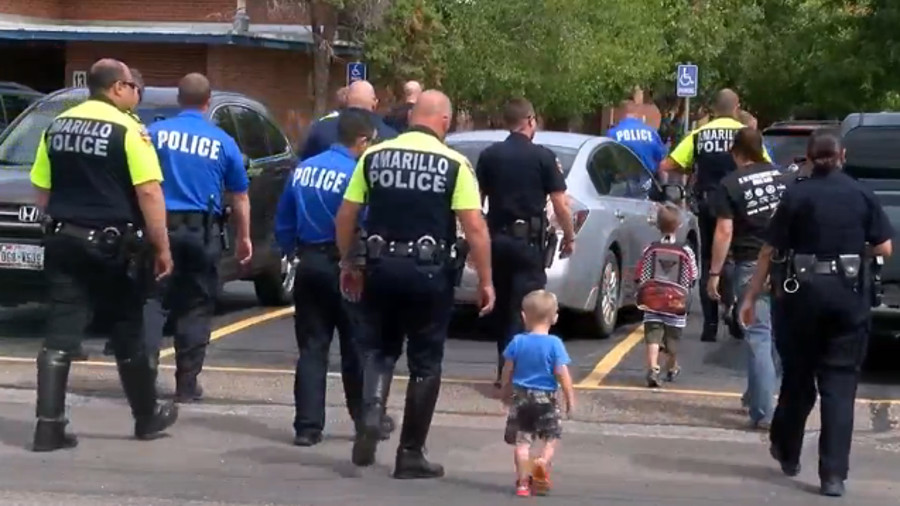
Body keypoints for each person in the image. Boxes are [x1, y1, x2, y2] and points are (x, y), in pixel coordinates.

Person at [334, 89, 495, 478]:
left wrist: (349, 261)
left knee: (379, 350)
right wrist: (486, 281)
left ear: (409, 117)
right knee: (425, 363)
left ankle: (371, 414)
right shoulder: (455, 164)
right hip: (428, 273)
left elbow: (346, 215)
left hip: (380, 267)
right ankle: (409, 454)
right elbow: (474, 226)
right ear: (444, 122)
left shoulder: (373, 156)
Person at [29, 58, 177, 451]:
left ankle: (48, 426)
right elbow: (149, 192)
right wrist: (162, 247)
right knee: (128, 328)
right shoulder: (130, 129)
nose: (136, 93)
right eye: (133, 86)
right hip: (113, 247)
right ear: (116, 88)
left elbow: (41, 189)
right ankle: (146, 418)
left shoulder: (57, 125)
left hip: (63, 238)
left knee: (60, 332)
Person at [738, 131, 894, 497]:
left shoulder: (797, 194)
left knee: (797, 378)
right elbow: (884, 245)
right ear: (842, 155)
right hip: (848, 298)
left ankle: (787, 450)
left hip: (800, 299)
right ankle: (833, 475)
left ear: (808, 157)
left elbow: (768, 251)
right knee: (839, 387)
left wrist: (749, 297)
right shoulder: (861, 194)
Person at [274, 109, 395, 446]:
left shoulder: (304, 170)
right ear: (361, 140)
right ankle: (364, 419)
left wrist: (292, 250)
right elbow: (368, 221)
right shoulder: (357, 173)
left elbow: (283, 220)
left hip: (309, 262)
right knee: (355, 347)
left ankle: (308, 426)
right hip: (346, 265)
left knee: (312, 347)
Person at [145, 73, 253, 402]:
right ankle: (186, 384)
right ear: (207, 103)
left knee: (152, 301)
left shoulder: (153, 134)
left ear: (179, 100)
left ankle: (142, 376)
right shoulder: (222, 141)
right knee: (195, 305)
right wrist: (243, 238)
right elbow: (239, 197)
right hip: (200, 231)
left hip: (159, 228)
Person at [475, 98, 575, 387]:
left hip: (497, 241)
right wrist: (569, 237)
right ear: (530, 120)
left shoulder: (490, 155)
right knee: (530, 308)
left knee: (504, 309)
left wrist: (476, 239)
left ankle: (503, 371)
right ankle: (523, 374)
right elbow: (560, 204)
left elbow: (476, 201)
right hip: (528, 243)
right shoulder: (542, 157)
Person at [658, 89, 771, 342]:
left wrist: (691, 167)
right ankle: (736, 316)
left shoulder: (698, 134)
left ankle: (709, 325)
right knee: (740, 258)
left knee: (709, 263)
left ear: (713, 109)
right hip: (745, 204)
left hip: (709, 204)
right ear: (736, 107)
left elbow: (667, 165)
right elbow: (766, 165)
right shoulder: (744, 137)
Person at [708, 127, 785, 429]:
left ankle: (763, 411)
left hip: (752, 264)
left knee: (758, 335)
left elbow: (724, 231)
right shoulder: (785, 178)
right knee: (775, 335)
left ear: (737, 153)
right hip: (787, 264)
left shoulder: (730, 184)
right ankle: (757, 394)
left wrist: (714, 273)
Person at [499, 289, 575, 497]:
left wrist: (505, 389)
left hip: (522, 397)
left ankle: (523, 483)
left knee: (523, 442)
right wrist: (570, 400)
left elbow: (507, 369)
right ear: (555, 317)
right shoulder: (555, 344)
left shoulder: (517, 342)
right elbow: (562, 374)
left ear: (524, 316)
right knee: (552, 436)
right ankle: (542, 461)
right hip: (546, 399)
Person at [635, 204, 698, 387]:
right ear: (679, 226)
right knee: (673, 339)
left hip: (652, 301)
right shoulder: (686, 251)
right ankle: (671, 368)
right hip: (676, 303)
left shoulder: (650, 249)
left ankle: (653, 368)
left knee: (653, 336)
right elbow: (693, 275)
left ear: (657, 225)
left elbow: (641, 274)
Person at [300, 80, 397, 160]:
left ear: (346, 100)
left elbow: (304, 161)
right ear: (375, 103)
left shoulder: (321, 128)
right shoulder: (391, 136)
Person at [606, 100, 667, 173]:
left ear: (620, 114)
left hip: (621, 177)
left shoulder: (612, 133)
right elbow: (660, 157)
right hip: (647, 177)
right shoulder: (651, 132)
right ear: (638, 114)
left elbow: (608, 158)